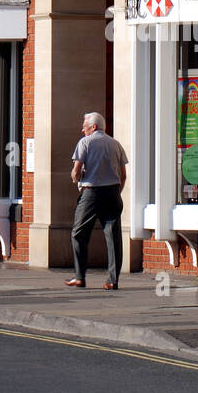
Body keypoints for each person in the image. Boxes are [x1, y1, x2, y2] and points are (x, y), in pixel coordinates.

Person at [64, 112, 128, 290]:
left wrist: (76, 178)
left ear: (93, 127)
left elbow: (76, 171)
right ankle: (112, 280)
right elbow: (123, 175)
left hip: (91, 193)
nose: (82, 129)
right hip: (113, 192)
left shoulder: (85, 142)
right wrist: (117, 191)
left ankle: (79, 277)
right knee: (113, 237)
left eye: (84, 126)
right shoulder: (116, 144)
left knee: (78, 233)